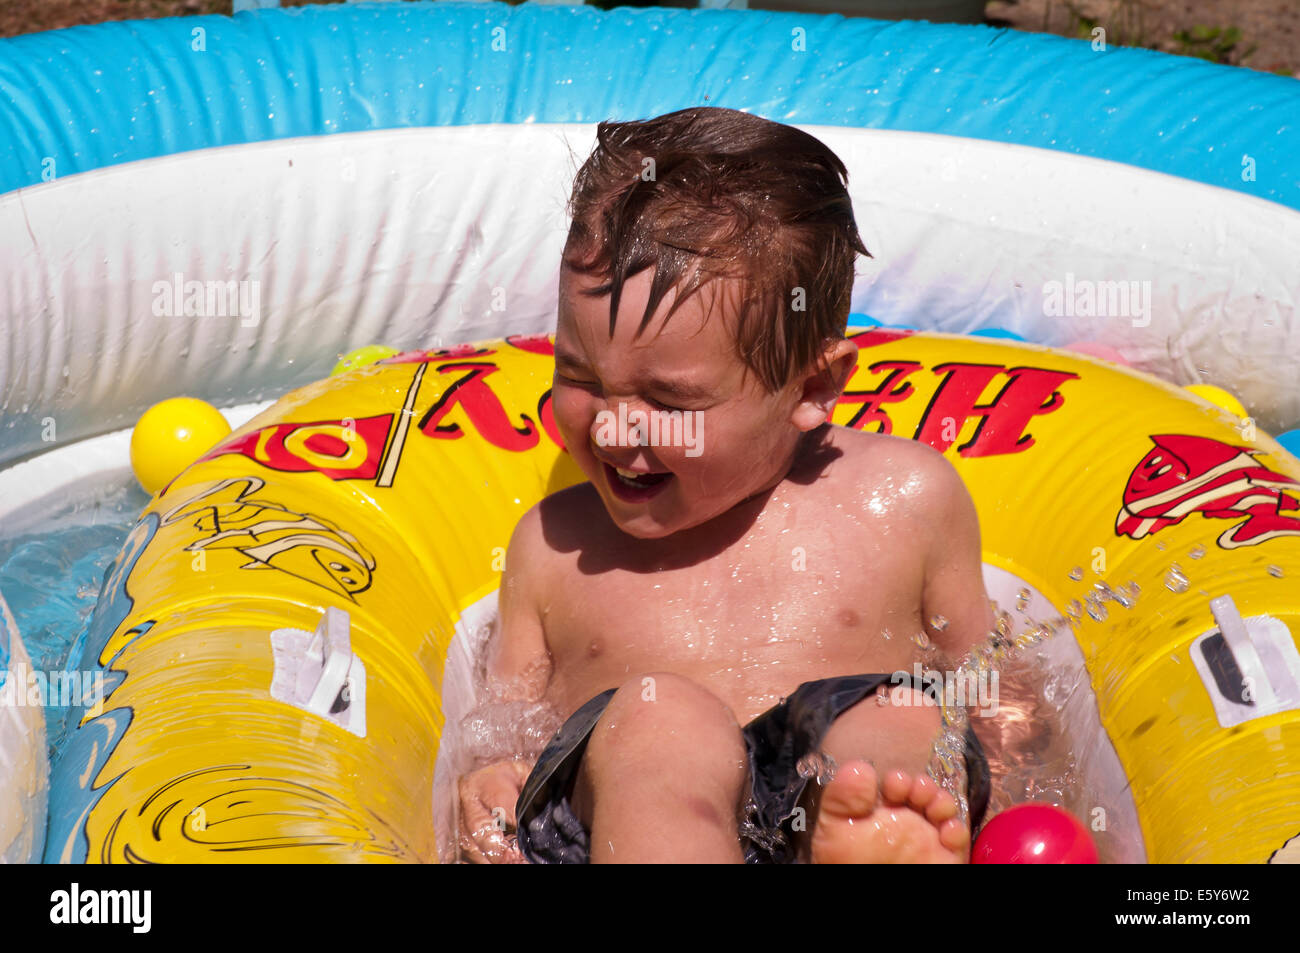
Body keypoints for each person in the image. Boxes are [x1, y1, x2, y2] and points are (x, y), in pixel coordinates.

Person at [458, 106, 994, 864]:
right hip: (630, 822)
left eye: (669, 402)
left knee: (898, 710)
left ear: (812, 386)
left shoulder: (907, 501)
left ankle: (881, 826)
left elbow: (991, 683)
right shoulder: (554, 547)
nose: (613, 431)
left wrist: (1014, 790)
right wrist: (488, 780)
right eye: (579, 377)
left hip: (830, 809)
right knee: (660, 718)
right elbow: (500, 721)